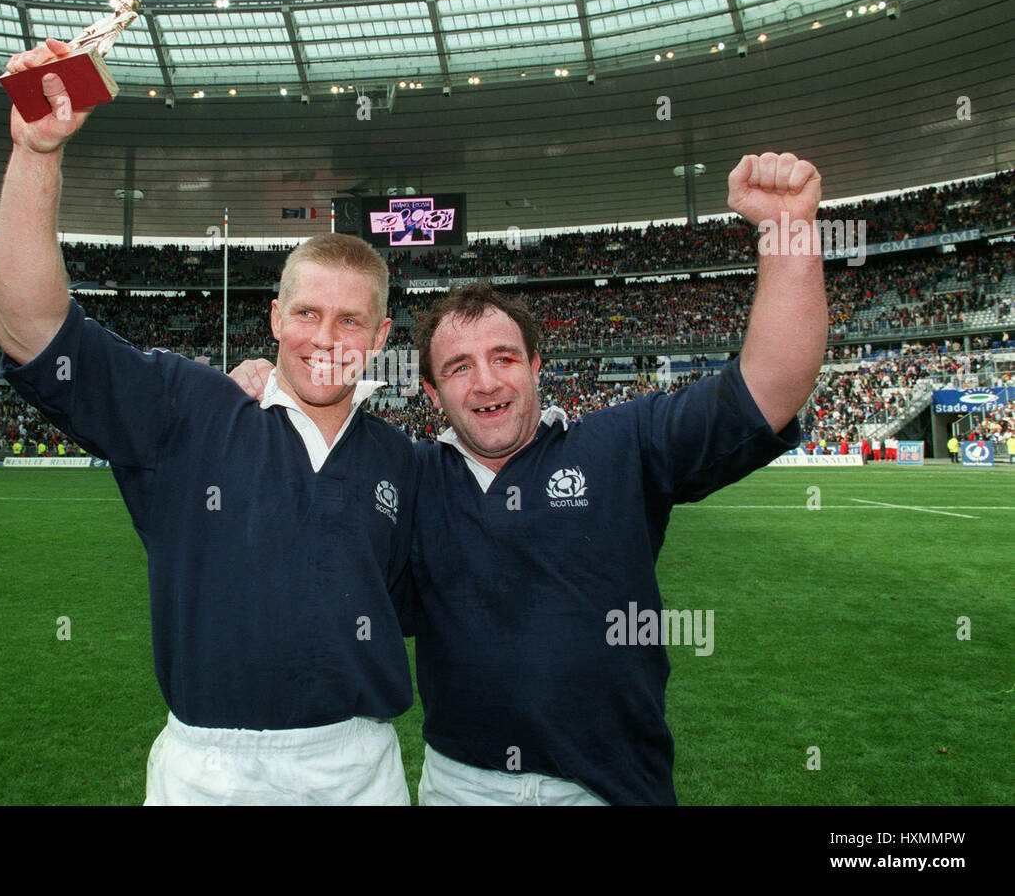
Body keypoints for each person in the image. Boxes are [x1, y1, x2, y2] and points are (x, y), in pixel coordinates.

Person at [232, 151, 824, 804]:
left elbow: (770, 388)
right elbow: (299, 492)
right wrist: (261, 384)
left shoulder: (622, 444)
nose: (486, 381)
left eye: (504, 357)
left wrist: (788, 229)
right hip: (460, 787)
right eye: (459, 367)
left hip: (610, 786)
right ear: (431, 390)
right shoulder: (408, 473)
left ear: (537, 365)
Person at [0, 37, 416, 805]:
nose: (326, 337)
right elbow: (34, 332)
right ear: (275, 317)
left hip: (358, 769)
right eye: (307, 313)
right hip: (208, 772)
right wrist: (36, 154)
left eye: (351, 320)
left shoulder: (402, 462)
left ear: (381, 336)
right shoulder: (188, 407)